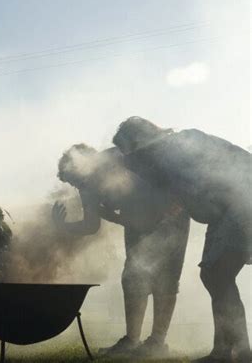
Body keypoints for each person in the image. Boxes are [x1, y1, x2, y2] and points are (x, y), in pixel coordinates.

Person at [113, 116, 251, 363]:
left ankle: (237, 353)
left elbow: (204, 202)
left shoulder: (172, 151)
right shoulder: (171, 150)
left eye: (128, 152)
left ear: (137, 142)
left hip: (241, 201)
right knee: (215, 274)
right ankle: (226, 351)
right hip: (228, 208)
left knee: (217, 274)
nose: (129, 161)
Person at [52, 144, 190, 358]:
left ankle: (156, 342)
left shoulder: (120, 157)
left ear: (86, 162)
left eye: (75, 178)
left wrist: (117, 216)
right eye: (72, 182)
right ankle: (132, 341)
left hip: (171, 215)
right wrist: (64, 225)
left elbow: (160, 180)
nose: (77, 185)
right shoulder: (85, 186)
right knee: (133, 277)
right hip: (135, 223)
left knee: (167, 278)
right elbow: (91, 224)